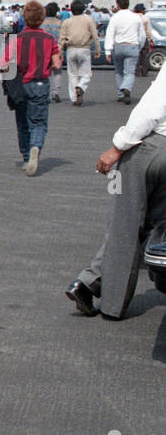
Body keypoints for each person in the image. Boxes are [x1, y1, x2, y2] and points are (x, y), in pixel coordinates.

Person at [67, 64, 166, 319]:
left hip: (152, 147)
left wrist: (117, 148)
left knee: (127, 225)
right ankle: (91, 282)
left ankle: (110, 303)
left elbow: (152, 109)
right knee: (154, 223)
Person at [0, 0, 63, 176]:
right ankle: (36, 146)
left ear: (24, 18)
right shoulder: (50, 39)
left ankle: (27, 156)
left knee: (22, 123)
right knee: (39, 122)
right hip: (40, 83)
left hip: (20, 85)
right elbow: (57, 63)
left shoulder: (17, 39)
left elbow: (3, 64)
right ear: (42, 18)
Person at [59, 1, 99, 106]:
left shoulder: (66, 22)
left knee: (72, 75)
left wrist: (60, 53)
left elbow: (62, 39)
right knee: (86, 74)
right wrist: (97, 50)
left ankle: (74, 98)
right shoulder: (89, 20)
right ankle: (81, 86)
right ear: (83, 9)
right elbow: (95, 35)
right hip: (84, 48)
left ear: (71, 10)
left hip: (71, 49)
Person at [105, 0, 145, 104]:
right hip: (132, 45)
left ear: (117, 4)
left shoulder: (115, 17)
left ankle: (121, 94)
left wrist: (108, 50)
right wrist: (139, 46)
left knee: (118, 71)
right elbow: (142, 35)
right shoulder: (136, 17)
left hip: (118, 46)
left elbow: (110, 34)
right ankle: (126, 87)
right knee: (130, 72)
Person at [40, 3, 64, 102]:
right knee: (57, 71)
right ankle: (55, 93)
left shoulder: (41, 23)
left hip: (43, 49)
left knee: (44, 73)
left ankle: (44, 93)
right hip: (56, 49)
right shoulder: (60, 23)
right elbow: (63, 38)